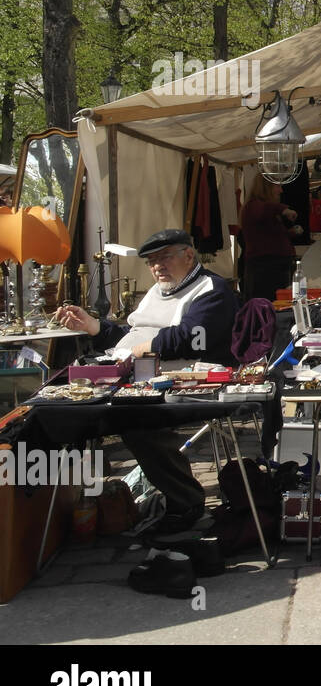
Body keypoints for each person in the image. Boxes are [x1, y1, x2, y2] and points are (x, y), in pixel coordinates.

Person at [53, 230, 241, 538]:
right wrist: (93, 327)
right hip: (139, 376)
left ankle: (186, 504)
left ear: (189, 255)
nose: (157, 267)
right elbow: (129, 338)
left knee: (134, 419)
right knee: (69, 411)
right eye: (152, 262)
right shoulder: (157, 291)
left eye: (164, 257)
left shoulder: (212, 290)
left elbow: (191, 337)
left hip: (189, 382)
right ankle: (73, 501)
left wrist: (143, 349)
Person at [240, 176, 299, 301]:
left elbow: (268, 236)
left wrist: (288, 234)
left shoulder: (267, 211)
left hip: (273, 270)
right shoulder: (253, 206)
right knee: (265, 309)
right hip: (263, 272)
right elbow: (263, 210)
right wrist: (283, 209)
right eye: (277, 186)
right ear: (266, 187)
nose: (281, 190)